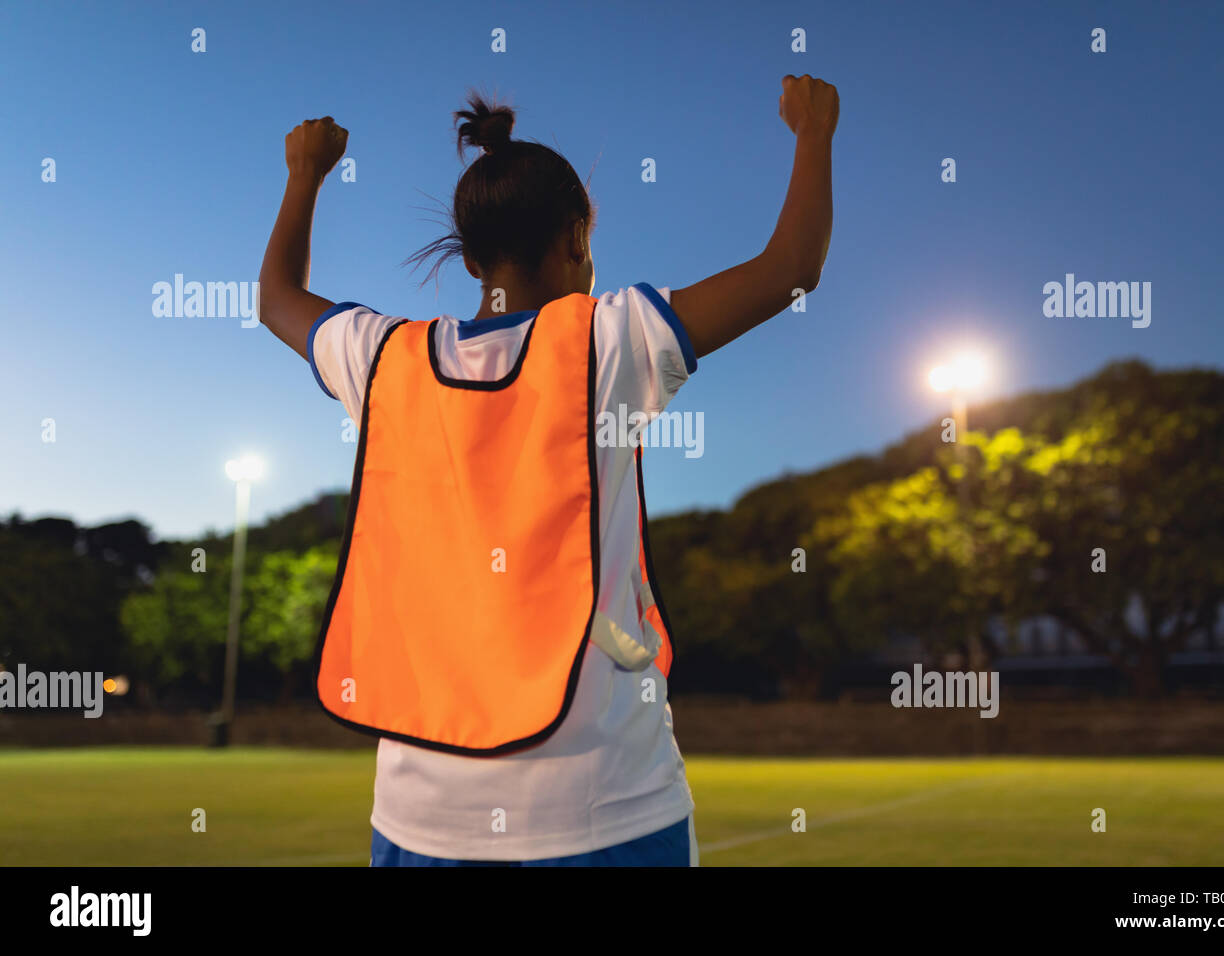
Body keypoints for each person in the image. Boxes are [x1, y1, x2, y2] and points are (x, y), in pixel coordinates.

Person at [257, 75, 838, 867]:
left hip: (416, 814)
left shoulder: (382, 357)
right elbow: (791, 269)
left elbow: (276, 297)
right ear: (575, 240)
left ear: (467, 258)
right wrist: (813, 131)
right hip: (604, 807)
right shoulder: (610, 340)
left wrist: (305, 174)